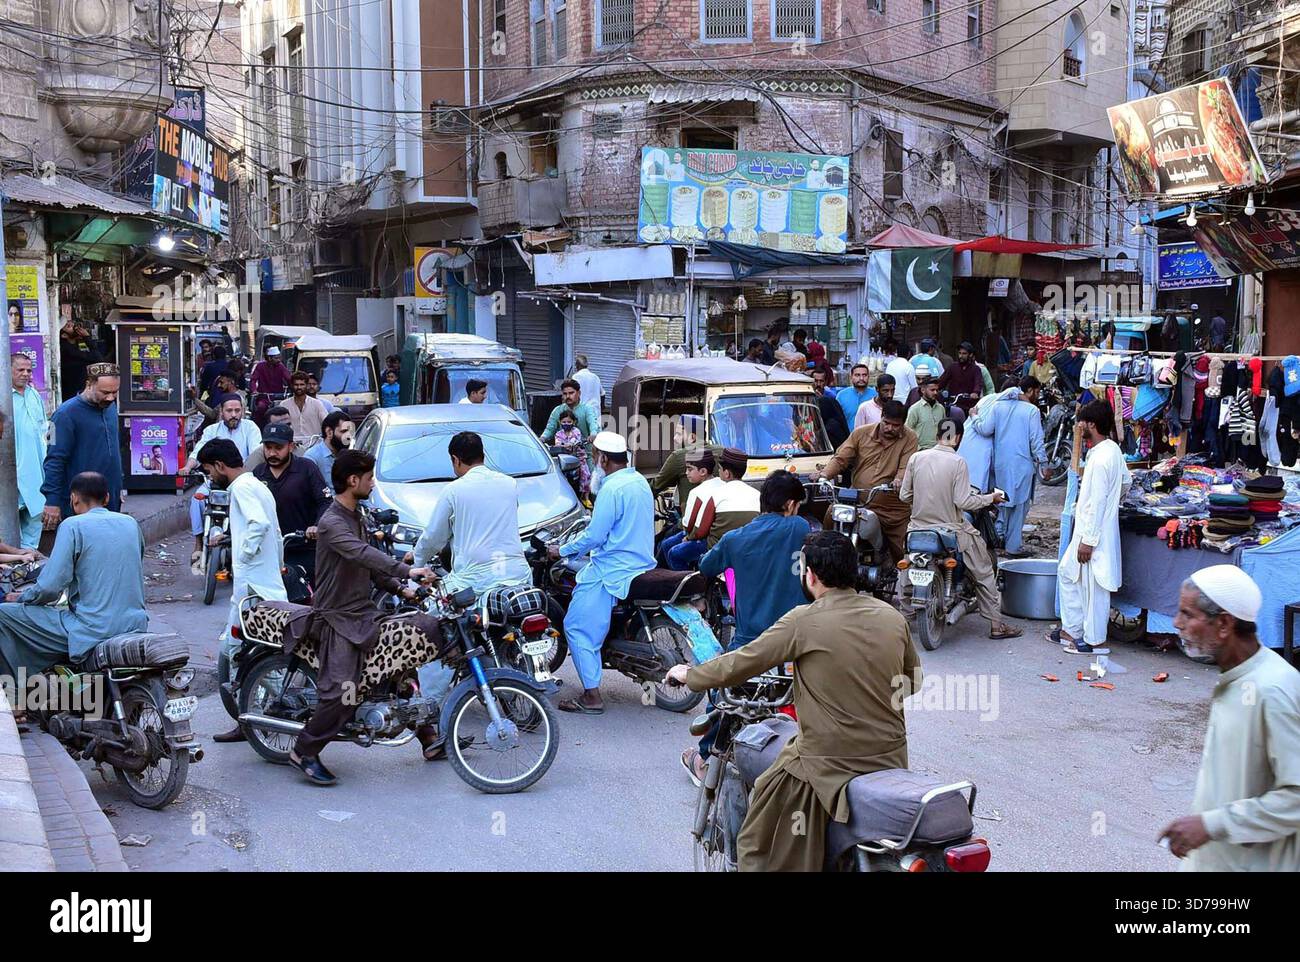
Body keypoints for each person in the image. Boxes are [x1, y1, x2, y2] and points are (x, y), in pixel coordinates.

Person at [665, 530, 921, 872]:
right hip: (891, 757)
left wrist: (689, 675)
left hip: (827, 763)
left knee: (756, 842)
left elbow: (740, 663)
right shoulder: (891, 617)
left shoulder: (803, 620)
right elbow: (912, 682)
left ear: (810, 576)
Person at [281, 450, 437, 783]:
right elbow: (363, 553)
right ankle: (304, 751)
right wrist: (409, 572)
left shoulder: (358, 516)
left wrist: (402, 590)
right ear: (354, 481)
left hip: (364, 614)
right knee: (343, 693)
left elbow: (369, 567)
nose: (372, 482)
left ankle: (429, 738)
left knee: (402, 662)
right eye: (369, 478)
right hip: (337, 620)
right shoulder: (332, 522)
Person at [1161, 566, 1300, 870]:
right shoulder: (1238, 678)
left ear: (1224, 623)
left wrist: (1212, 824)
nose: (1176, 623)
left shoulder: (1273, 689)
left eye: (1187, 614)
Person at [680, 471, 815, 783]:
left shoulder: (735, 539)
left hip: (749, 644)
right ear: (792, 504)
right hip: (797, 642)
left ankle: (703, 757)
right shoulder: (799, 527)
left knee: (722, 698)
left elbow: (705, 566)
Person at [0, 472, 147, 682]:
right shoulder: (131, 523)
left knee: (4, 614)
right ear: (107, 498)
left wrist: (24, 597)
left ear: (74, 498)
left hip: (91, 628)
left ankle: (16, 696)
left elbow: (50, 588)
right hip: (135, 623)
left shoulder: (72, 526)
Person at [549, 431, 655, 715]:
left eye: (596, 456)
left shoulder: (611, 489)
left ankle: (591, 696)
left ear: (603, 459)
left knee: (576, 626)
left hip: (613, 569)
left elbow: (594, 536)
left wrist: (561, 550)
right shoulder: (639, 481)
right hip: (642, 562)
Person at [195, 439, 286, 744]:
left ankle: (252, 718)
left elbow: (259, 525)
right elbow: (275, 532)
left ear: (220, 466)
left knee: (235, 653)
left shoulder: (243, 489)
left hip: (253, 589)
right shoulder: (257, 485)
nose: (210, 478)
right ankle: (259, 716)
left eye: (209, 471)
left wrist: (243, 557)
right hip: (266, 584)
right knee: (259, 654)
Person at [899, 418, 1021, 638]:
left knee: (906, 569)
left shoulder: (916, 458)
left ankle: (904, 620)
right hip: (950, 531)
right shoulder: (958, 462)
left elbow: (904, 495)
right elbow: (964, 502)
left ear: (938, 435)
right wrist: (990, 498)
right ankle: (996, 626)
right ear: (958, 438)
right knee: (983, 570)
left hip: (917, 531)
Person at [410, 431, 532, 594]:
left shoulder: (453, 490)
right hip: (518, 574)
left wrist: (416, 563)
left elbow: (433, 537)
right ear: (483, 455)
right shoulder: (509, 483)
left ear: (455, 459)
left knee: (435, 611)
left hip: (474, 581)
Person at [1053, 399, 1130, 655]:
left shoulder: (1101, 458)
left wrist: (1089, 539)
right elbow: (1125, 483)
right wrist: (1112, 503)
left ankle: (1094, 642)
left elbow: (1097, 502)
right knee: (1067, 573)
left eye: (1082, 422)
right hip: (1090, 526)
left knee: (1093, 586)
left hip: (1092, 532)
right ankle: (1072, 630)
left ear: (1092, 425)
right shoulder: (1110, 451)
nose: (1079, 426)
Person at [817, 400, 918, 562]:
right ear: (881, 416)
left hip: (892, 507)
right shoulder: (860, 433)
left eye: (895, 425)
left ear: (903, 424)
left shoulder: (910, 438)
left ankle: (903, 582)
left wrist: (899, 480)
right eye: (886, 423)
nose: (890, 428)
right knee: (831, 513)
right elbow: (841, 459)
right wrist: (824, 476)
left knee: (904, 553)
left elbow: (905, 467)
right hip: (858, 501)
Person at [184, 393, 263, 569]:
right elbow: (198, 452)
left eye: (237, 410)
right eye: (229, 410)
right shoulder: (212, 431)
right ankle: (198, 544)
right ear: (221, 411)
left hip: (239, 481)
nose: (234, 414)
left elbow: (256, 453)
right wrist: (188, 467)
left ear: (243, 411)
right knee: (197, 499)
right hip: (214, 481)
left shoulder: (250, 428)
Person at [41, 362, 123, 529]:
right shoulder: (63, 415)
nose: (111, 397)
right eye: (105, 392)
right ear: (89, 384)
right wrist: (52, 500)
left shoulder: (110, 406)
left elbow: (113, 449)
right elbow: (54, 460)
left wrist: (118, 487)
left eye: (115, 392)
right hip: (82, 501)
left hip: (109, 497)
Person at [252, 422, 331, 585]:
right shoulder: (258, 474)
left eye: (278, 448)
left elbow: (325, 502)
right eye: (268, 447)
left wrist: (316, 526)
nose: (272, 453)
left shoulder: (307, 468)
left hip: (303, 547)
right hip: (269, 552)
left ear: (291, 446)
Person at [990, 377, 1047, 556]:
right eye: (1037, 392)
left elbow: (985, 429)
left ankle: (998, 537)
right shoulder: (1031, 411)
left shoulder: (998, 407)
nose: (1037, 396)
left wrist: (975, 417)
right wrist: (1044, 462)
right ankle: (1012, 546)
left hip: (1000, 464)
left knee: (1003, 503)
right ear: (1029, 391)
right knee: (1019, 506)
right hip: (1021, 465)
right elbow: (1036, 440)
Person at [657, 449, 723, 570]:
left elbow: (687, 525)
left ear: (703, 471)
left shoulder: (696, 492)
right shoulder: (722, 484)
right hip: (717, 534)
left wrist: (687, 537)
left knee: (670, 550)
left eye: (690, 469)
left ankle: (687, 583)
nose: (686, 473)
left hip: (703, 538)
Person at [11, 352, 48, 550]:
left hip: (37, 465)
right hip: (12, 466)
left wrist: (52, 452)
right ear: (8, 370)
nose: (26, 374)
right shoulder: (3, 396)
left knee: (36, 513)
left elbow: (46, 427)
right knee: (11, 515)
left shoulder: (34, 394)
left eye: (29, 370)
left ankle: (29, 555)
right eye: (20, 370)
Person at [303, 410, 354, 493]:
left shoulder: (349, 456)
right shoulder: (312, 458)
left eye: (350, 431)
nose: (349, 436)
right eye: (344, 431)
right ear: (329, 432)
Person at [539, 379, 599, 447]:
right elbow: (550, 429)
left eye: (571, 393)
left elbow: (593, 424)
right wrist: (542, 438)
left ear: (579, 393)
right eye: (565, 394)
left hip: (586, 454)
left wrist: (593, 434)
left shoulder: (587, 409)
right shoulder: (558, 410)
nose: (568, 396)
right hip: (563, 454)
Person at [58, 321, 101, 402]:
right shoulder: (68, 350)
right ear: (64, 335)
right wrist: (87, 337)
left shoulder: (74, 347)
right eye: (68, 326)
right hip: (72, 394)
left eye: (72, 324)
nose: (74, 326)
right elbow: (98, 358)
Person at [937, 341, 984, 414]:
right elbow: (942, 381)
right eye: (959, 353)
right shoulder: (953, 367)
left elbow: (978, 383)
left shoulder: (976, 369)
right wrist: (934, 389)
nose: (961, 356)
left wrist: (975, 392)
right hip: (954, 404)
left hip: (969, 406)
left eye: (964, 353)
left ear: (970, 355)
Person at [552, 410, 591, 498]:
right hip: (564, 461)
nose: (566, 424)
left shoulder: (576, 431)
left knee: (586, 475)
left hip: (579, 459)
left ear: (573, 422)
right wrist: (564, 446)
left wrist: (568, 445)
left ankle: (586, 497)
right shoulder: (558, 434)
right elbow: (558, 444)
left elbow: (575, 441)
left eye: (569, 422)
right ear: (560, 422)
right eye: (564, 422)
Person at [244, 405, 292, 472]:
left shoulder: (301, 451)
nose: (285, 429)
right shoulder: (258, 456)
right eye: (278, 426)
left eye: (288, 424)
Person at [905, 377, 946, 450]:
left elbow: (943, 430)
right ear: (923, 390)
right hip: (921, 451)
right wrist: (918, 448)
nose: (935, 393)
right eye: (932, 390)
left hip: (938, 451)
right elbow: (907, 432)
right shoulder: (915, 409)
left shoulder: (941, 408)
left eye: (937, 390)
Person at [812, 369, 848, 448]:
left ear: (825, 382)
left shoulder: (830, 397)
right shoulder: (807, 396)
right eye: (816, 381)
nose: (818, 384)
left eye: (821, 381)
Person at [572, 354, 603, 419]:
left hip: (582, 413)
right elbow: (602, 394)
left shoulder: (575, 377)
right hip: (595, 413)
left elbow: (572, 396)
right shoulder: (596, 377)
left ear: (577, 366)